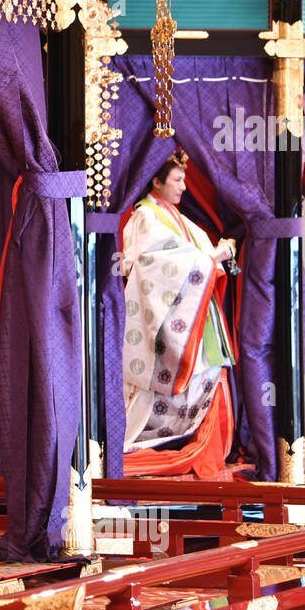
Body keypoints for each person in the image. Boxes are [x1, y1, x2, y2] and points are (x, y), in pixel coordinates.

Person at [119, 151, 235, 461]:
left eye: (185, 180)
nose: (184, 187)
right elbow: (157, 261)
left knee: (208, 376)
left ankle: (194, 451)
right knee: (148, 391)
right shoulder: (145, 216)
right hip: (162, 315)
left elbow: (194, 254)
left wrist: (213, 257)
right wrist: (212, 259)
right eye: (178, 180)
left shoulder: (176, 217)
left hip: (195, 311)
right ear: (156, 182)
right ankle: (127, 450)